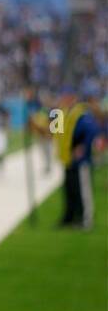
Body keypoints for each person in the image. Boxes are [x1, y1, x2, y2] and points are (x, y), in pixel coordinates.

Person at [55, 91, 100, 230]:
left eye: (66, 97)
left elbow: (92, 131)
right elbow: (54, 131)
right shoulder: (60, 113)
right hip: (67, 158)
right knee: (70, 190)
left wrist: (83, 146)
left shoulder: (82, 113)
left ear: (73, 98)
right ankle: (69, 217)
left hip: (80, 160)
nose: (63, 99)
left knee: (82, 190)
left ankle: (85, 220)